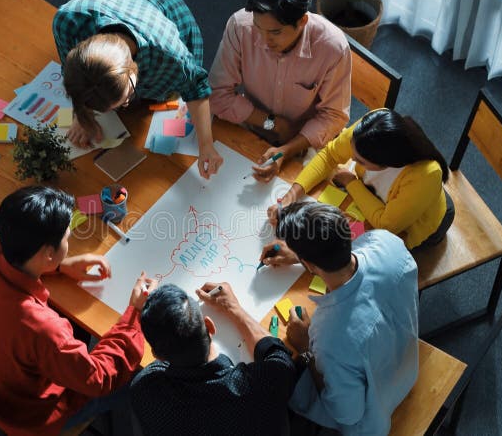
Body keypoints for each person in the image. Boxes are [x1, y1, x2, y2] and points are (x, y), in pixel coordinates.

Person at [0, 186, 157, 436]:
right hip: (28, 415)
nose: (68, 242)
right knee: (144, 376)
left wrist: (60, 267)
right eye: (67, 238)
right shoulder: (42, 328)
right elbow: (99, 378)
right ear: (47, 253)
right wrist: (134, 313)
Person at [262, 201, 418, 435]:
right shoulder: (387, 242)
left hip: (372, 417)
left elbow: (347, 414)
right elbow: (359, 244)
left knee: (283, 382)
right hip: (405, 364)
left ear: (310, 265)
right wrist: (304, 256)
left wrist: (306, 349)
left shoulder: (328, 336)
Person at [53, 0, 223, 179]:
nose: (126, 104)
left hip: (168, 11)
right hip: (115, 3)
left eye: (125, 99)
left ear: (134, 71)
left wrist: (206, 146)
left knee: (162, 97)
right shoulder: (66, 22)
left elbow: (196, 87)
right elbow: (77, 78)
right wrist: (83, 115)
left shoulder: (172, 56)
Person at [209, 0, 351, 183]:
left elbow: (334, 115)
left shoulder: (333, 48)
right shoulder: (240, 26)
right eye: (258, 28)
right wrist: (273, 123)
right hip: (252, 123)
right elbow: (217, 95)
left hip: (304, 140)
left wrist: (287, 148)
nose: (263, 40)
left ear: (302, 21)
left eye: (275, 32)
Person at [272, 108, 454, 250]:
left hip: (416, 228)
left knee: (346, 247)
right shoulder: (370, 128)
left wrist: (351, 183)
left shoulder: (425, 176)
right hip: (383, 202)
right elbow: (329, 155)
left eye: (360, 161)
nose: (351, 160)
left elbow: (386, 227)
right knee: (340, 231)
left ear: (387, 162)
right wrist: (291, 196)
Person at [129, 283, 296, 436]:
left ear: (157, 355)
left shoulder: (144, 390)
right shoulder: (260, 384)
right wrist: (234, 309)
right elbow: (280, 356)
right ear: (210, 326)